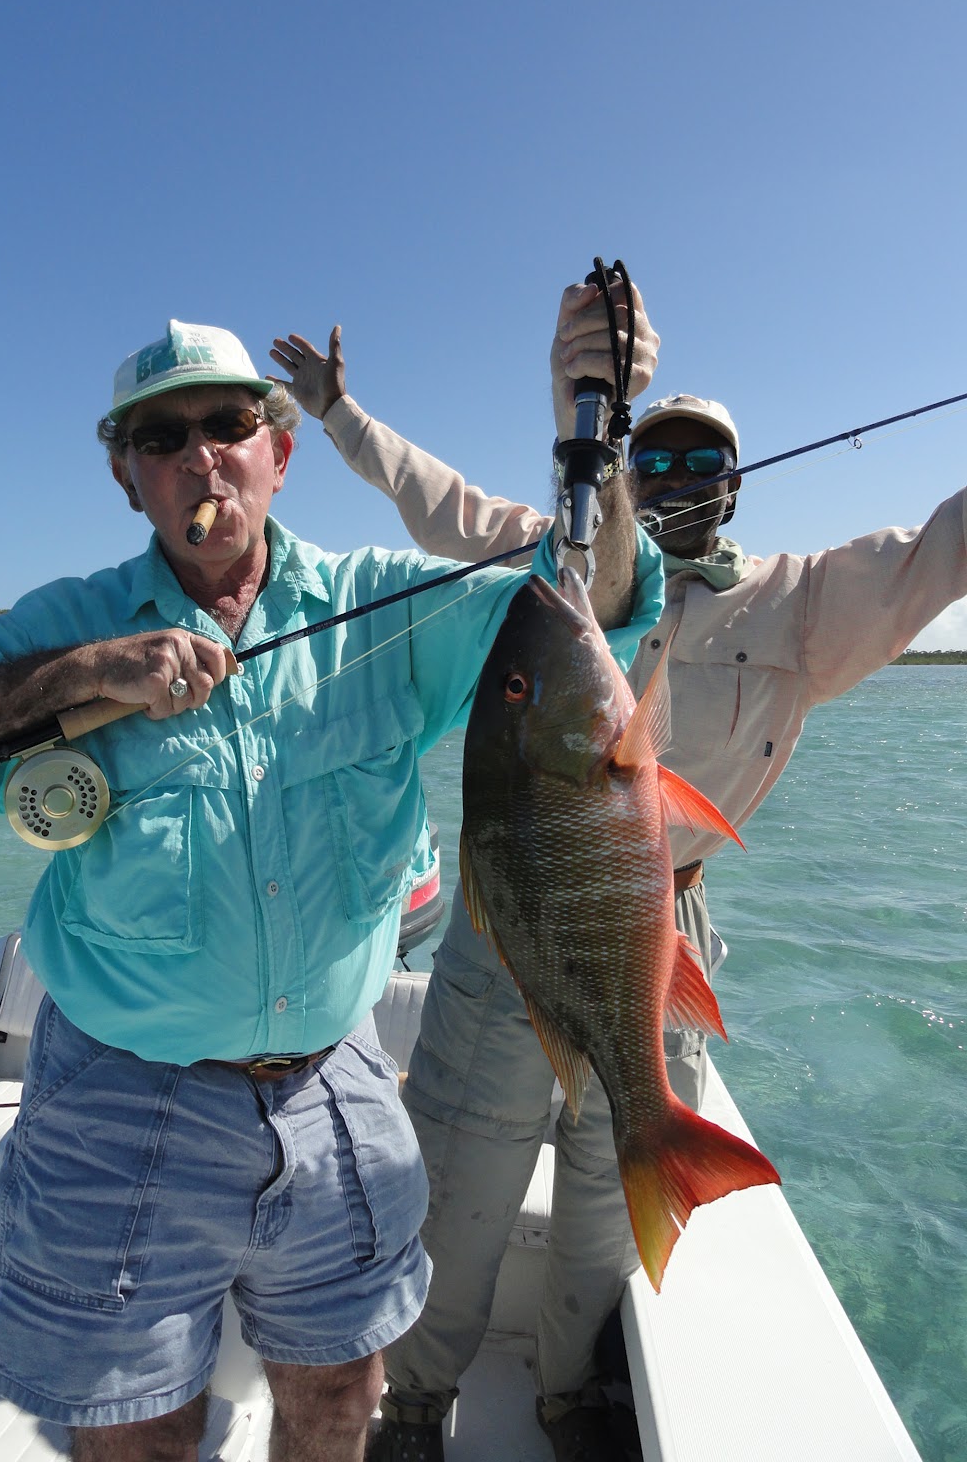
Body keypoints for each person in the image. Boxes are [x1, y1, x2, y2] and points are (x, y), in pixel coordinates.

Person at [0, 308, 663, 1462]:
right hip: (119, 1093)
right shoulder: (69, 624)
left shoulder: (392, 604)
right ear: (127, 478)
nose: (199, 454)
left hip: (336, 1078)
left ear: (280, 450)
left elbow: (594, 611)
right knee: (137, 1428)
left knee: (342, 1393)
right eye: (161, 439)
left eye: (226, 422)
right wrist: (83, 673)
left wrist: (596, 449)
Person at [277, 318, 967, 1462]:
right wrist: (342, 416)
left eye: (707, 463)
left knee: (612, 1186)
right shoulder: (555, 555)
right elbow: (431, 496)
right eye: (660, 458)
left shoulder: (805, 603)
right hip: (516, 909)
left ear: (739, 484)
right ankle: (415, 1406)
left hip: (656, 916)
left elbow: (943, 547)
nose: (682, 479)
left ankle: (570, 1393)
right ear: (628, 471)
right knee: (460, 1166)